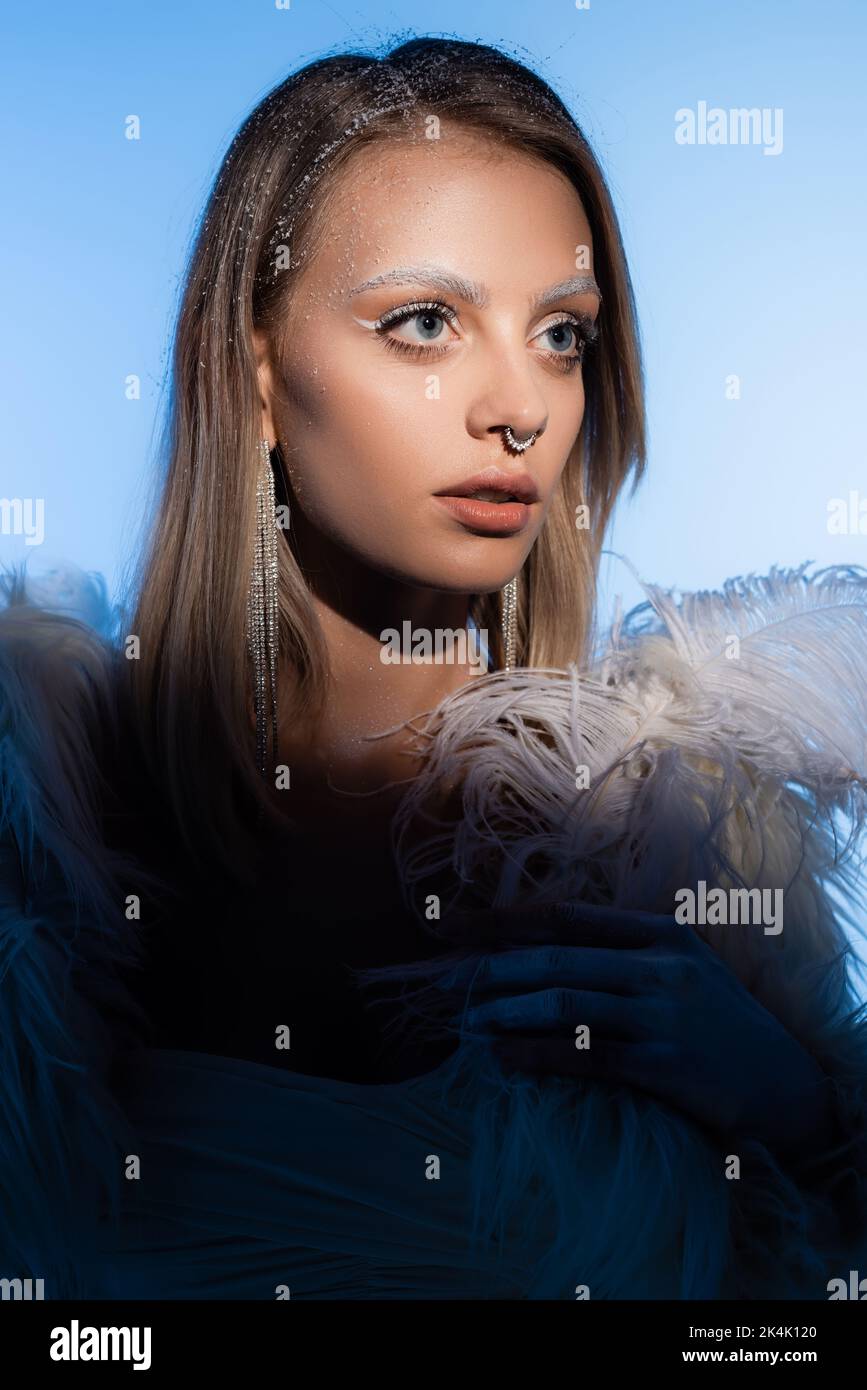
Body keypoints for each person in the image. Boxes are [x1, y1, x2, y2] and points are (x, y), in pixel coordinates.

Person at [1, 36, 866, 1301]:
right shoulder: (43, 833)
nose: (517, 405)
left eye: (562, 336)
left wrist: (798, 1114)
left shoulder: (682, 847)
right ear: (251, 367)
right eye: (425, 322)